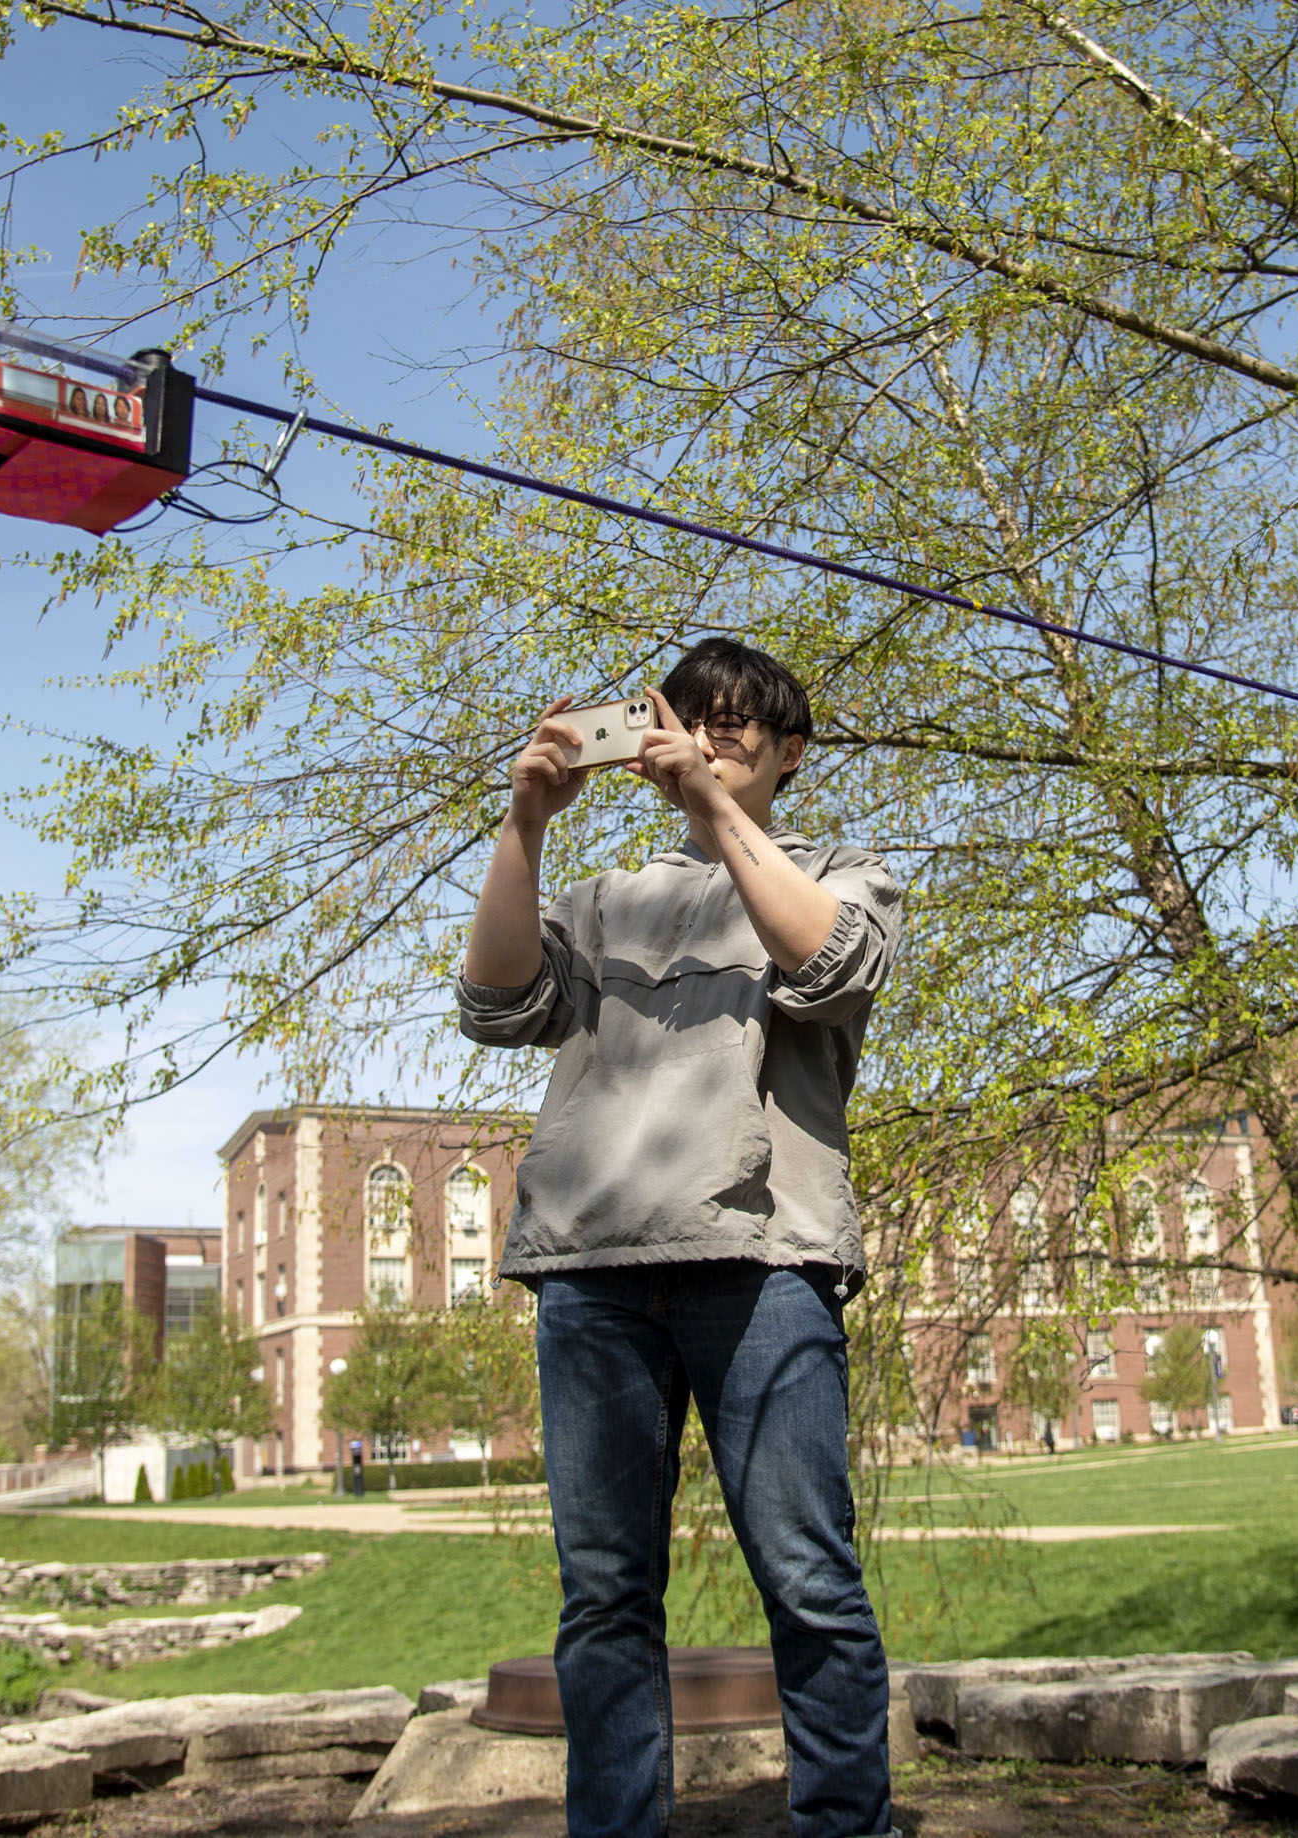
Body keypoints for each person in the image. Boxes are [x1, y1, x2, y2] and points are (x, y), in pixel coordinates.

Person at [459, 637, 904, 1838]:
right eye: (687, 720)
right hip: (592, 1273)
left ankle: (847, 1826)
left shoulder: (840, 870)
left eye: (735, 727)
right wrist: (525, 822)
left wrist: (714, 813)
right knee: (604, 1597)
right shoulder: (607, 899)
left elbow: (831, 965)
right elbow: (497, 1001)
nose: (705, 741)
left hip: (763, 1266)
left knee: (809, 1580)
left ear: (787, 751)